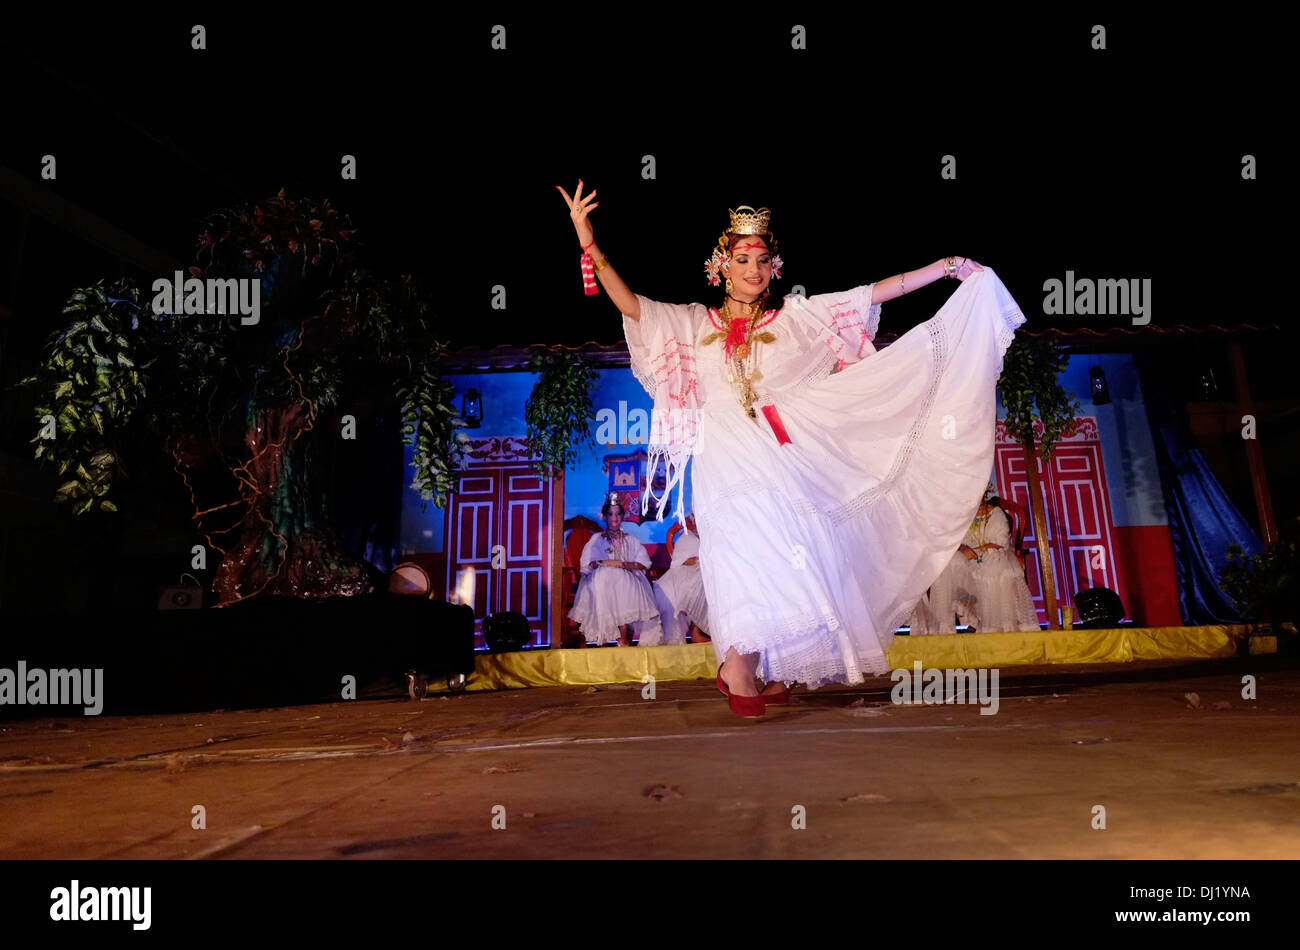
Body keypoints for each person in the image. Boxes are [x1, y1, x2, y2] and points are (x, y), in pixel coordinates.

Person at [557, 182, 1025, 716]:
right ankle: (737, 664)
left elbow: (871, 293)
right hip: (724, 456)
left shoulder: (796, 318)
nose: (753, 269)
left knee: (784, 556)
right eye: (741, 259)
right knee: (739, 555)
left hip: (778, 453)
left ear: (772, 267)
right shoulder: (691, 323)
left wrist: (943, 266)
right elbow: (632, 306)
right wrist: (589, 245)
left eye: (762, 259)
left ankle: (757, 665)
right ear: (721, 267)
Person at [567, 493, 661, 646]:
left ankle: (622, 636)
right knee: (607, 576)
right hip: (601, 581)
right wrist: (610, 562)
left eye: (618, 514)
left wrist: (623, 565)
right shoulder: (598, 539)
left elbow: (642, 562)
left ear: (623, 516)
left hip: (627, 581)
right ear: (604, 517)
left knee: (622, 579)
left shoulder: (630, 539)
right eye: (610, 514)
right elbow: (590, 563)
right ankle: (605, 635)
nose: (615, 518)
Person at [962, 484, 1041, 632]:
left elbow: (1000, 542)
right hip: (972, 555)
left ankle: (993, 623)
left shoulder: (996, 514)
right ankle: (971, 620)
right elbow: (961, 540)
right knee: (951, 566)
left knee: (993, 567)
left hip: (994, 554)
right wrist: (965, 549)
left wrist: (981, 549)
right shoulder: (968, 517)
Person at [641, 513, 711, 646]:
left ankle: (701, 630)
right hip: (684, 573)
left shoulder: (711, 536)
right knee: (695, 583)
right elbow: (682, 561)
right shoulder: (686, 537)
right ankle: (696, 631)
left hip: (704, 573)